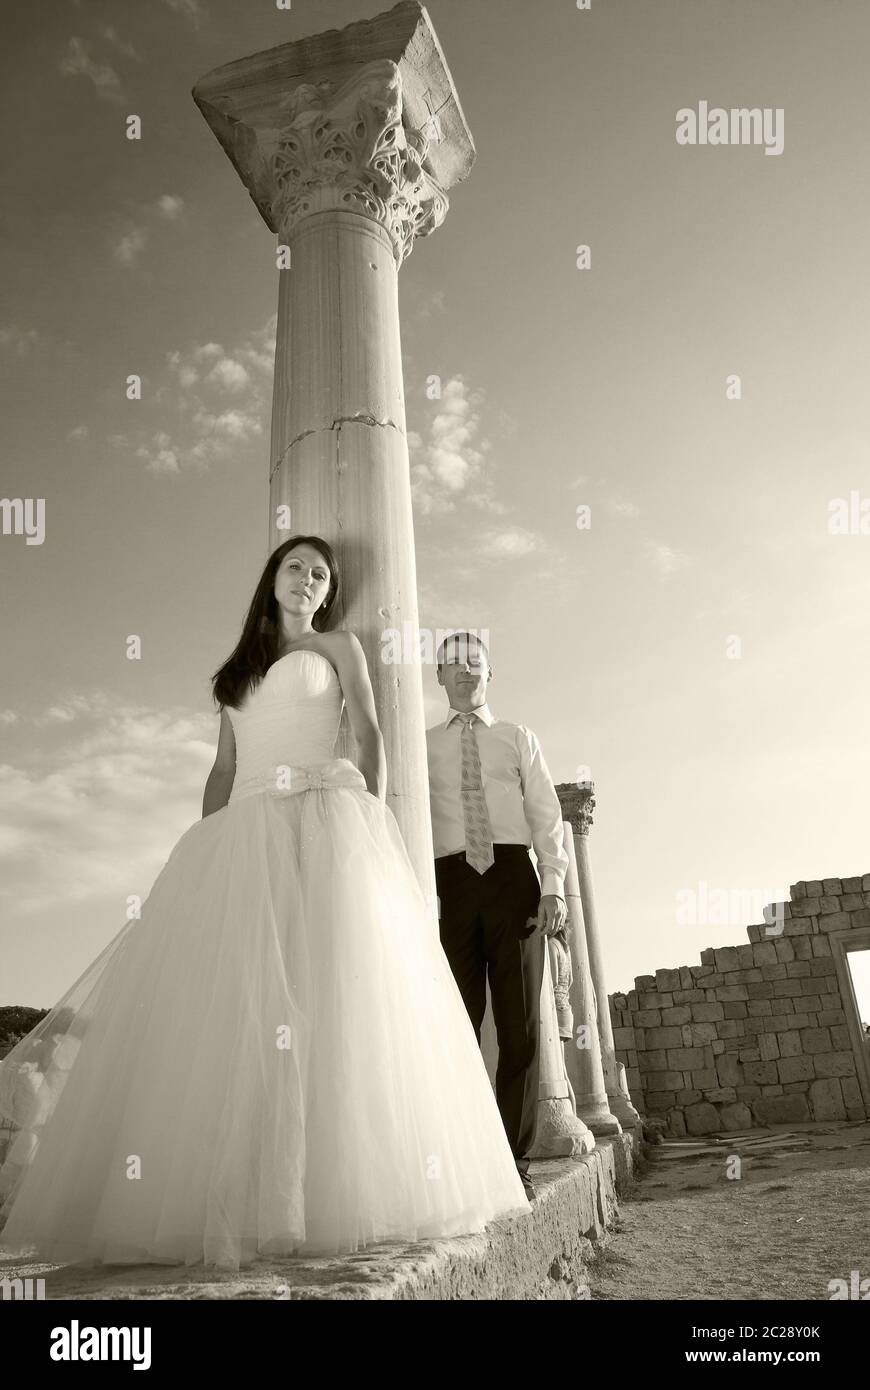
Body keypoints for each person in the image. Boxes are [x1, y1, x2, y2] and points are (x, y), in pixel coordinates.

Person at [0, 538, 528, 1271]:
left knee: (326, 990)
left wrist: (370, 815)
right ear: (271, 580)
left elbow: (370, 733)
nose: (308, 580)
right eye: (295, 568)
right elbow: (223, 767)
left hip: (322, 817)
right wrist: (209, 842)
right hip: (242, 831)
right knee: (241, 1007)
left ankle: (336, 1194)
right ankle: (230, 1197)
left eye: (320, 573)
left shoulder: (340, 645)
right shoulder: (238, 670)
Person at [426, 633, 569, 1202]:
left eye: (475, 664)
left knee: (520, 1030)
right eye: (453, 665)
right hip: (448, 884)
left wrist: (553, 886)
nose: (465, 672)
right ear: (439, 676)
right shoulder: (423, 745)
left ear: (491, 673)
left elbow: (546, 814)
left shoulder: (518, 737)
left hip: (513, 879)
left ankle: (512, 1158)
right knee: (458, 1024)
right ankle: (462, 1155)